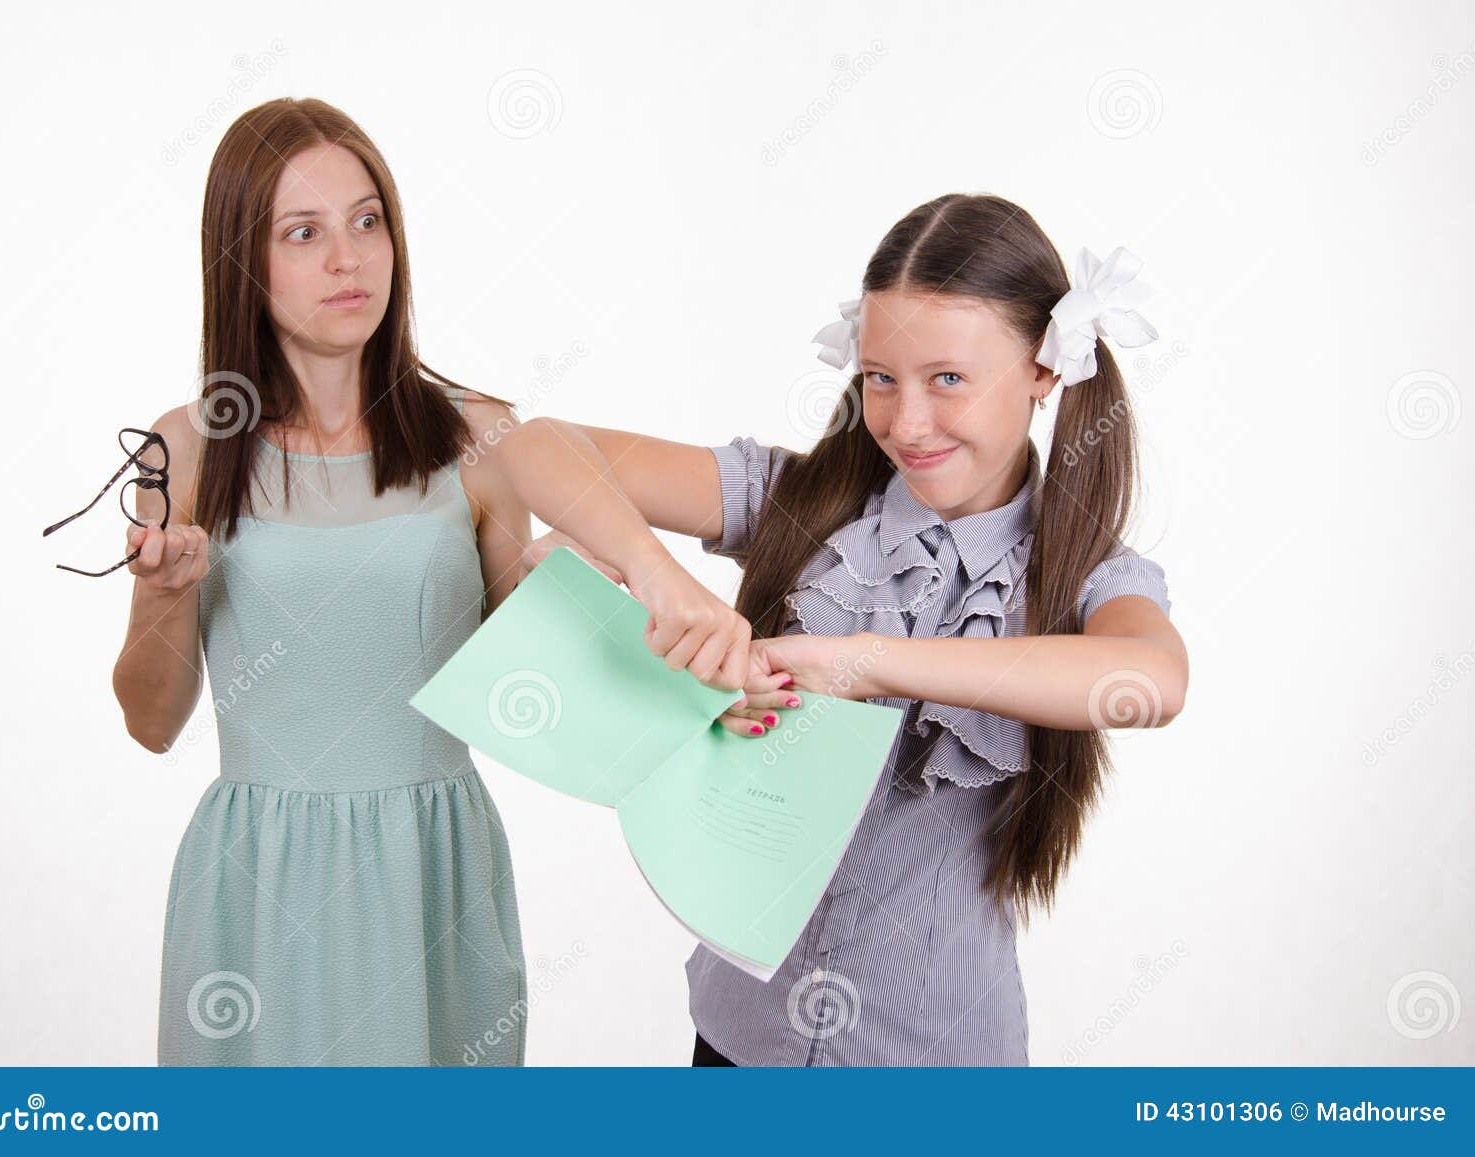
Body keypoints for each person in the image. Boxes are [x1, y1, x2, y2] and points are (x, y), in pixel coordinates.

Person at [111, 97, 753, 1065]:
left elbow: (529, 695)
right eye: (304, 232)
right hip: (258, 878)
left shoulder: (479, 435)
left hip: (432, 869)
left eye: (368, 221)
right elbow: (150, 720)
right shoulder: (189, 444)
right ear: (243, 257)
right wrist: (165, 591)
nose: (349, 259)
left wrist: (589, 609)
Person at [496, 193, 1188, 1065]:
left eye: (948, 379)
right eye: (881, 377)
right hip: (739, 1040)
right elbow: (529, 448)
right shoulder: (800, 501)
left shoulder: (1085, 572)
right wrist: (658, 578)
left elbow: (1152, 682)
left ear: (1043, 371)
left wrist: (867, 664)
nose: (904, 422)